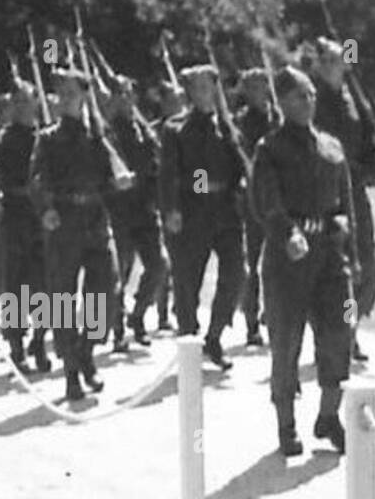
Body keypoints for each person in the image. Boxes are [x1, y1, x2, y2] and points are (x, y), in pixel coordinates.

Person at [250, 65, 356, 455]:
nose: (308, 101)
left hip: (330, 255)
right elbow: (266, 199)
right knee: (286, 341)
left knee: (339, 332)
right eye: (299, 95)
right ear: (282, 102)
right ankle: (286, 426)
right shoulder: (270, 148)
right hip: (288, 259)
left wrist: (352, 248)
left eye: (311, 93)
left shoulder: (332, 147)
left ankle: (328, 416)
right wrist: (286, 233)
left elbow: (348, 204)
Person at [309, 38, 375, 362]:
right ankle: (331, 334)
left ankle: (349, 330)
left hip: (354, 192)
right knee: (331, 269)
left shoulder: (353, 103)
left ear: (344, 65)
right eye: (322, 60)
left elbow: (369, 151)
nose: (326, 65)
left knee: (367, 264)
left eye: (333, 60)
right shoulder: (310, 101)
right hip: (323, 194)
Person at [29, 67, 122, 402]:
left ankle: (86, 349)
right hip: (64, 223)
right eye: (61, 93)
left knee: (105, 295)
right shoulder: (49, 138)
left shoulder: (97, 138)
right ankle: (71, 371)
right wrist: (46, 209)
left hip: (95, 222)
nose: (65, 99)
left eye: (72, 92)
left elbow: (109, 179)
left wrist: (118, 184)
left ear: (84, 96)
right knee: (62, 301)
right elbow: (37, 179)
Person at [158, 64, 246, 370]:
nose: (203, 93)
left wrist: (245, 186)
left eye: (208, 86)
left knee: (236, 273)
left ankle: (215, 335)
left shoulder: (227, 126)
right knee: (187, 283)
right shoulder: (177, 128)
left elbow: (240, 166)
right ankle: (189, 341)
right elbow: (169, 173)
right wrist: (172, 208)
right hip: (192, 213)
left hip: (225, 212)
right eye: (196, 88)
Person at [0, 79, 52, 372]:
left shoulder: (46, 137)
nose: (22, 108)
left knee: (46, 286)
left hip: (40, 216)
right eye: (17, 103)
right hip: (14, 216)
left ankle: (40, 342)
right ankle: (16, 346)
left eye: (27, 102)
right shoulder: (1, 139)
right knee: (14, 286)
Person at [103, 75, 166, 351]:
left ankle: (138, 316)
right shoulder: (105, 132)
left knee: (159, 264)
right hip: (118, 210)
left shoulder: (145, 131)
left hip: (144, 208)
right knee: (120, 271)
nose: (127, 100)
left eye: (130, 94)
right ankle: (115, 328)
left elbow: (159, 167)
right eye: (121, 94)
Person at [234, 68, 281, 347]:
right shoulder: (240, 123)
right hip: (83, 221)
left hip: (94, 221)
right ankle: (81, 347)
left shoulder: (278, 119)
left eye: (261, 86)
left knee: (102, 283)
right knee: (73, 289)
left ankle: (92, 339)